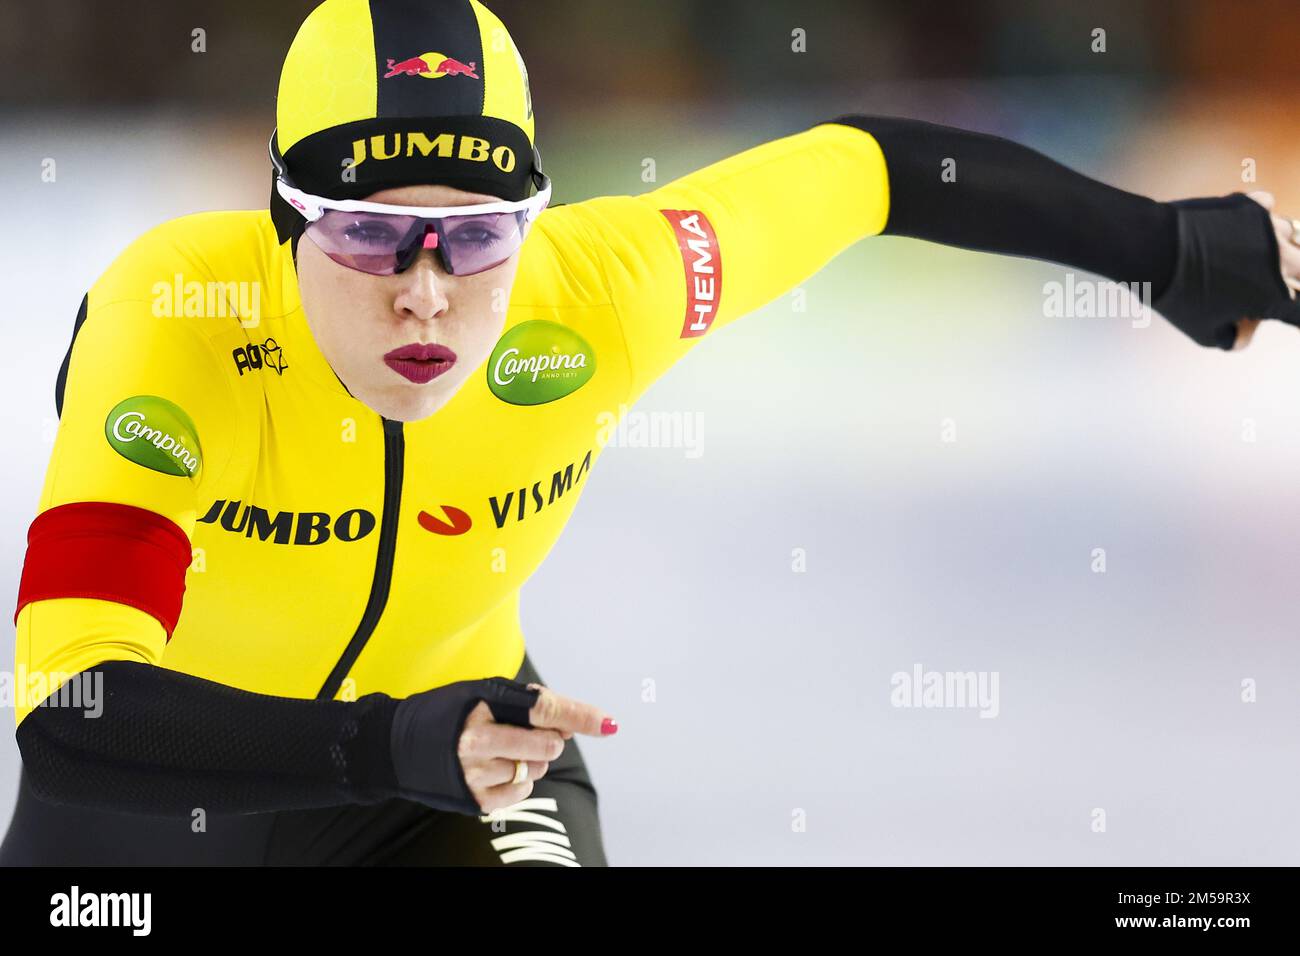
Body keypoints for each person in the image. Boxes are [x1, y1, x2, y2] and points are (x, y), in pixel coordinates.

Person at [4, 0, 1299, 867]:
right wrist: (374, 739)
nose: (426, 289)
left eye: (477, 236)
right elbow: (75, 700)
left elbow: (872, 172)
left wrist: (1168, 248)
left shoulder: (605, 286)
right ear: (284, 227)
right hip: (154, 811)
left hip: (456, 776)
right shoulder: (178, 319)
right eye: (366, 231)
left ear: (535, 228)